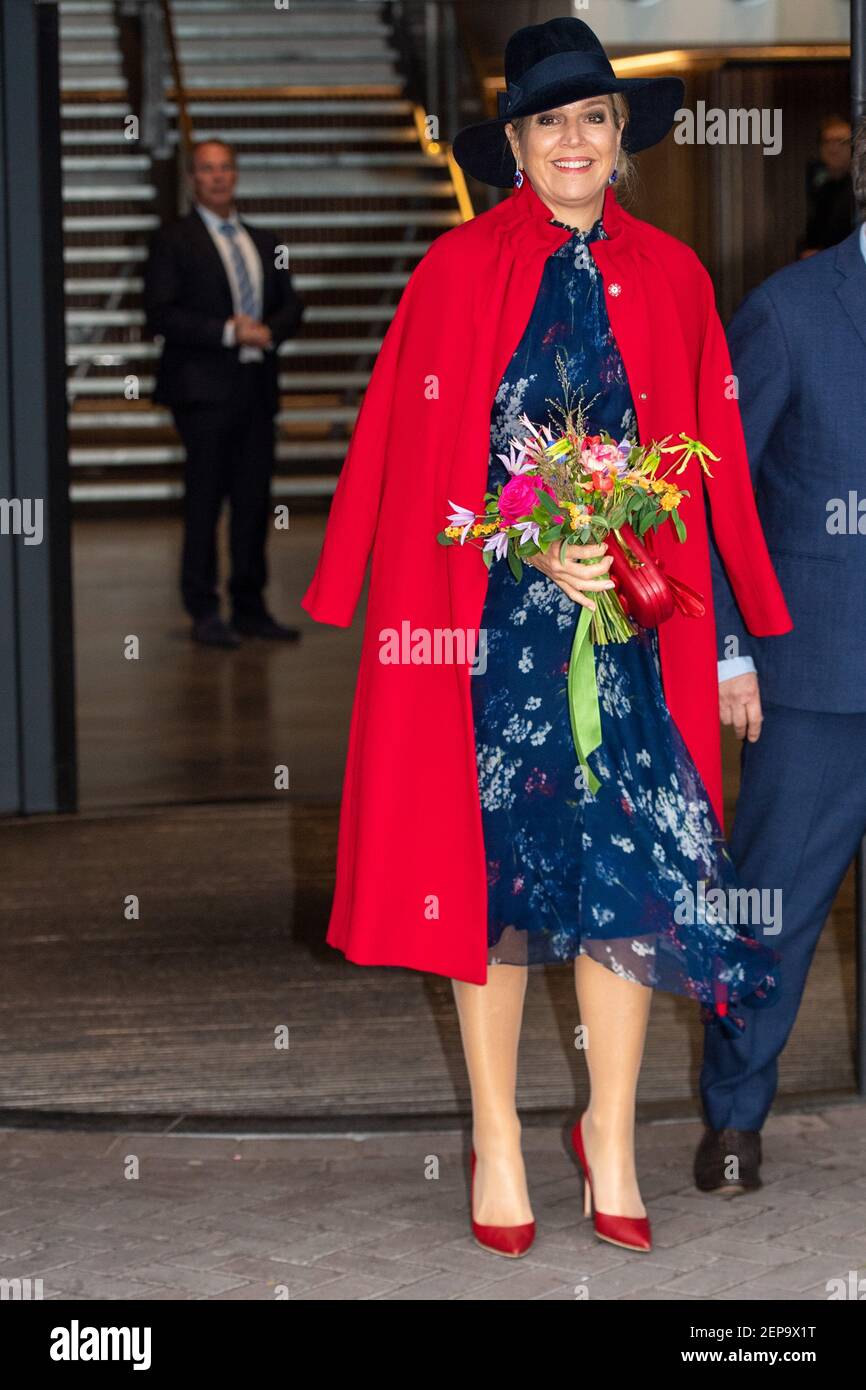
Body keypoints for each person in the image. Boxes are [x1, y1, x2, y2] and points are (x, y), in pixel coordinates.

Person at [301, 17, 791, 1256]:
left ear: (619, 142)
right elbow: (408, 461)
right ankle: (500, 1137)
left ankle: (612, 1137)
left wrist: (735, 624)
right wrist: (520, 543)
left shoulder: (676, 276)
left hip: (633, 629)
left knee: (623, 882)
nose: (571, 141)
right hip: (490, 637)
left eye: (592, 119)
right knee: (497, 886)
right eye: (546, 122)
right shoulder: (454, 272)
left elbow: (711, 464)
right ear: (511, 145)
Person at [696, 117, 866, 1197]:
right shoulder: (788, 311)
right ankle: (730, 1118)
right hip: (811, 683)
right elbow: (711, 497)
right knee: (770, 909)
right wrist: (724, 650)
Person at [144, 139, 303, 647]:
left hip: (257, 389)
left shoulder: (264, 240)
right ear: (193, 178)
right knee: (205, 503)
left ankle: (251, 607)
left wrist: (267, 331)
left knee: (255, 503)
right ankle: (204, 610)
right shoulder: (174, 239)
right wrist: (228, 332)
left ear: (236, 174)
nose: (217, 177)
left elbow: (292, 304)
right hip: (202, 393)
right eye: (207, 169)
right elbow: (160, 313)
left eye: (225, 168)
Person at [798, 114, 854, 258]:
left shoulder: (859, 190)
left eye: (841, 142)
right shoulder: (822, 189)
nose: (833, 148)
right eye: (827, 141)